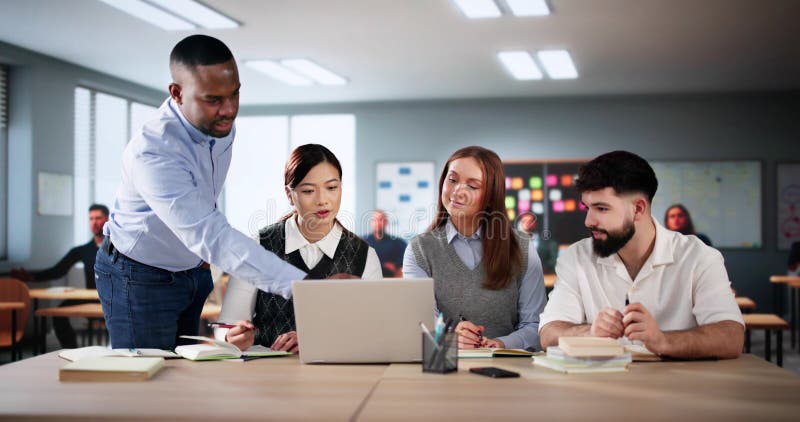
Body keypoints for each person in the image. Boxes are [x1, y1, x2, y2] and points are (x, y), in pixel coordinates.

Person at [95, 35, 351, 350]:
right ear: (177, 93)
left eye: (234, 94)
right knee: (151, 375)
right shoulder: (154, 152)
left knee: (185, 372)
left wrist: (199, 260)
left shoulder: (217, 124)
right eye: (214, 99)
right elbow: (211, 235)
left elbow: (202, 198)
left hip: (190, 270)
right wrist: (306, 288)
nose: (229, 110)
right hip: (139, 275)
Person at [539, 151, 744, 359]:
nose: (589, 221)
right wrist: (590, 332)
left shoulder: (699, 257)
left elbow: (731, 337)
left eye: (601, 208)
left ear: (638, 209)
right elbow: (548, 333)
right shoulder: (576, 258)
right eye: (587, 208)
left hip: (678, 379)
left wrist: (662, 340)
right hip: (603, 378)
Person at [219, 144, 382, 352]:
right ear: (289, 194)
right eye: (308, 191)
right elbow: (227, 327)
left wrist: (314, 338)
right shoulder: (258, 246)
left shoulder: (364, 255)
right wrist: (231, 337)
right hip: (266, 370)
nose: (322, 200)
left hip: (336, 370)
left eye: (332, 188)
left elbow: (374, 332)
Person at [403, 146, 547, 351]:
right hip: (446, 365)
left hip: (507, 365)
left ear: (490, 196)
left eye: (472, 186)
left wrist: (501, 344)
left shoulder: (521, 247)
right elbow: (419, 323)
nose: (457, 191)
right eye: (452, 180)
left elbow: (536, 326)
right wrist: (450, 336)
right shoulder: (419, 250)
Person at [9, 204, 108, 348]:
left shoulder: (117, 247)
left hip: (113, 299)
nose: (94, 222)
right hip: (89, 298)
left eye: (98, 218)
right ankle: (72, 351)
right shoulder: (83, 250)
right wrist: (30, 277)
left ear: (107, 220)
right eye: (91, 218)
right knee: (58, 314)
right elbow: (58, 270)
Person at [363, 210, 407, 277]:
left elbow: (406, 255)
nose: (378, 223)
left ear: (386, 222)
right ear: (371, 222)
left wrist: (396, 265)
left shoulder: (396, 242)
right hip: (367, 276)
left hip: (389, 277)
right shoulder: (363, 241)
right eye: (375, 220)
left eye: (381, 220)